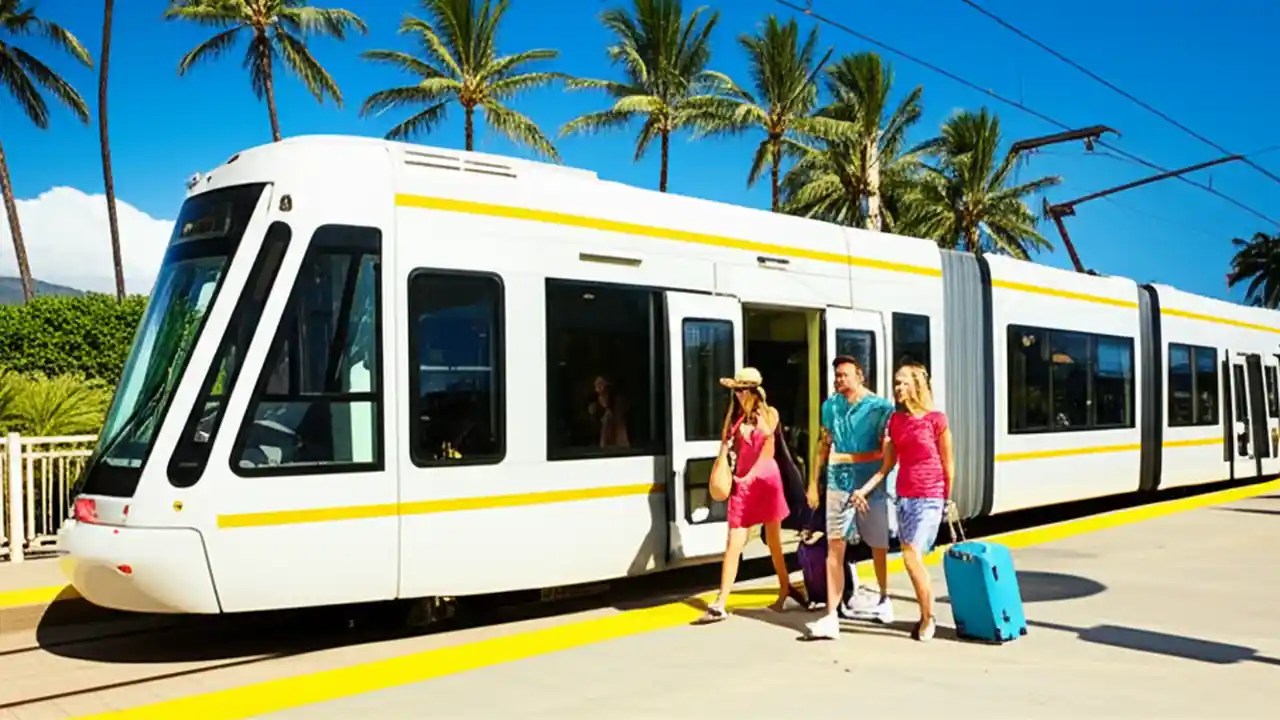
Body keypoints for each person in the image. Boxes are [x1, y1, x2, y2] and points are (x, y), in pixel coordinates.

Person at [852, 361, 955, 642]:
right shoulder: (895, 422)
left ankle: (928, 617)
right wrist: (863, 490)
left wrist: (947, 499)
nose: (898, 387)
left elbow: (948, 464)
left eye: (903, 382)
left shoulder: (937, 420)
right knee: (913, 557)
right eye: (896, 383)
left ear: (917, 385)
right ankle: (926, 613)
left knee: (910, 557)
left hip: (930, 496)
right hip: (905, 498)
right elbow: (886, 467)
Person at [695, 367, 805, 623]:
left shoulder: (770, 414)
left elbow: (768, 452)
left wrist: (747, 476)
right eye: (736, 390)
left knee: (774, 543)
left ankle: (785, 589)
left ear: (754, 391)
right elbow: (725, 445)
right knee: (734, 543)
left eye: (742, 390)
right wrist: (726, 464)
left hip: (766, 482)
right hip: (742, 486)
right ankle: (721, 602)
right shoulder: (733, 417)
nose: (738, 395)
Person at [803, 355, 895, 641]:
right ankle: (831, 616)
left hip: (870, 485)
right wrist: (813, 483)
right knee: (835, 546)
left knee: (878, 544)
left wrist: (869, 484)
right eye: (837, 376)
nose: (839, 380)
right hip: (837, 482)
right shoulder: (830, 406)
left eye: (844, 375)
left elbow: (888, 452)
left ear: (860, 377)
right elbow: (824, 442)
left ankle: (884, 598)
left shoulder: (881, 408)